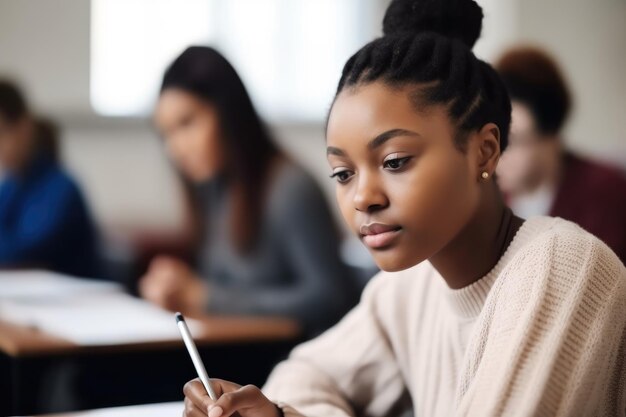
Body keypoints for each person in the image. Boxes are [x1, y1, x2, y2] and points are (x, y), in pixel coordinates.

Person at [181, 0, 626, 416]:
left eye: (394, 161)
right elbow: (302, 375)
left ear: (485, 152)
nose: (362, 197)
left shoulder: (562, 264)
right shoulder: (412, 286)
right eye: (343, 173)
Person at [139, 46, 357, 336]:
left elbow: (329, 297)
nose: (175, 149)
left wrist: (207, 298)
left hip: (286, 360)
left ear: (228, 112)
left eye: (187, 123)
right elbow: (224, 286)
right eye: (166, 134)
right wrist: (177, 289)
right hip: (237, 350)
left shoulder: (289, 188)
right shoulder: (214, 187)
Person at [495, 46, 626, 262]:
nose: (497, 157)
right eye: (493, 140)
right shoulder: (491, 201)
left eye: (512, 141)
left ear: (551, 136)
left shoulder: (607, 193)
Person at [0, 80, 101, 278]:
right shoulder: (10, 187)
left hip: (74, 303)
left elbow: (24, 251)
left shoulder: (61, 189)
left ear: (24, 127)